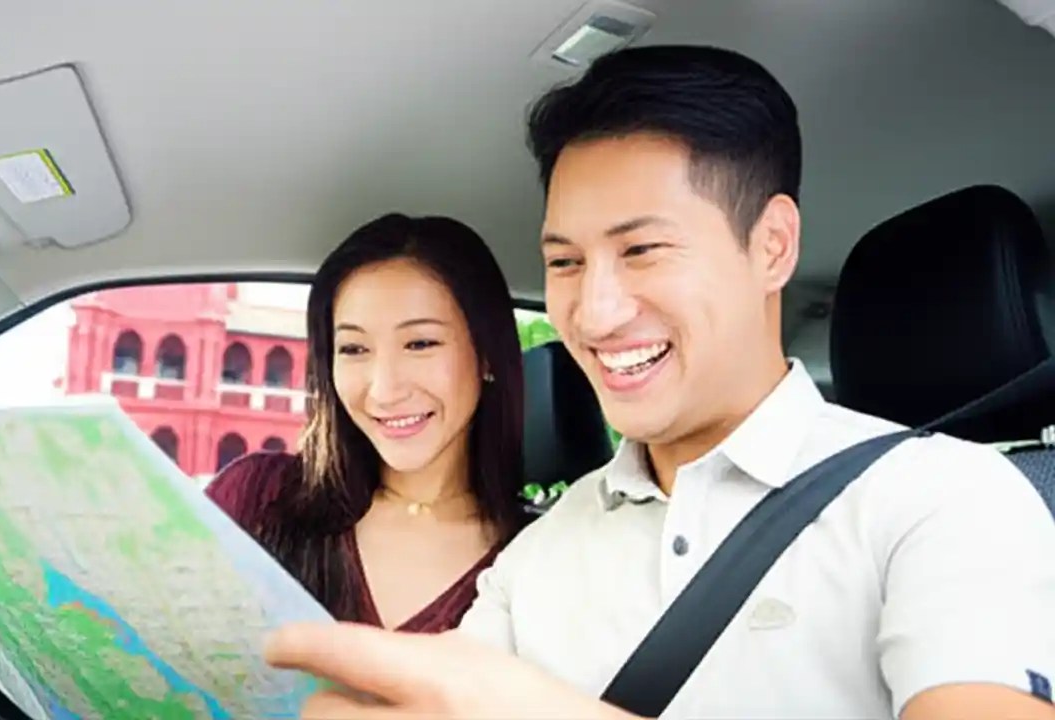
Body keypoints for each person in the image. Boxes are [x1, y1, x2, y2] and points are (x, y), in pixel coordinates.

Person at [276, 45, 1055, 720]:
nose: (595, 311)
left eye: (643, 250)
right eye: (565, 263)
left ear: (773, 246)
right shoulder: (533, 560)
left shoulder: (945, 501)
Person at [0, 214, 529, 662]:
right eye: (354, 349)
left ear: (488, 356)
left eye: (421, 343)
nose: (384, 387)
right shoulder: (261, 497)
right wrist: (5, 630)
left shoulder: (538, 562)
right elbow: (139, 646)